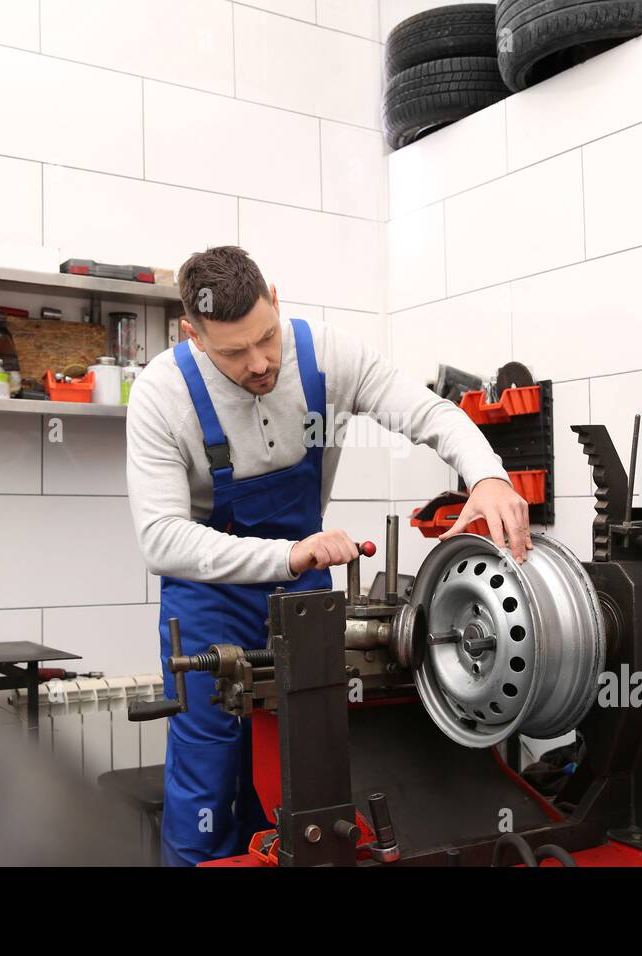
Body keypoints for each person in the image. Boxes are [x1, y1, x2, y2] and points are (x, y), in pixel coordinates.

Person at [125, 245, 531, 865]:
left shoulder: (327, 356)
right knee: (208, 782)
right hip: (210, 603)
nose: (260, 363)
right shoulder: (162, 394)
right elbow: (161, 538)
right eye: (234, 352)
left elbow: (427, 412)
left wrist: (488, 475)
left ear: (277, 302)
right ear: (194, 335)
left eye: (266, 338)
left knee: (304, 785)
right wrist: (287, 555)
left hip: (304, 599)